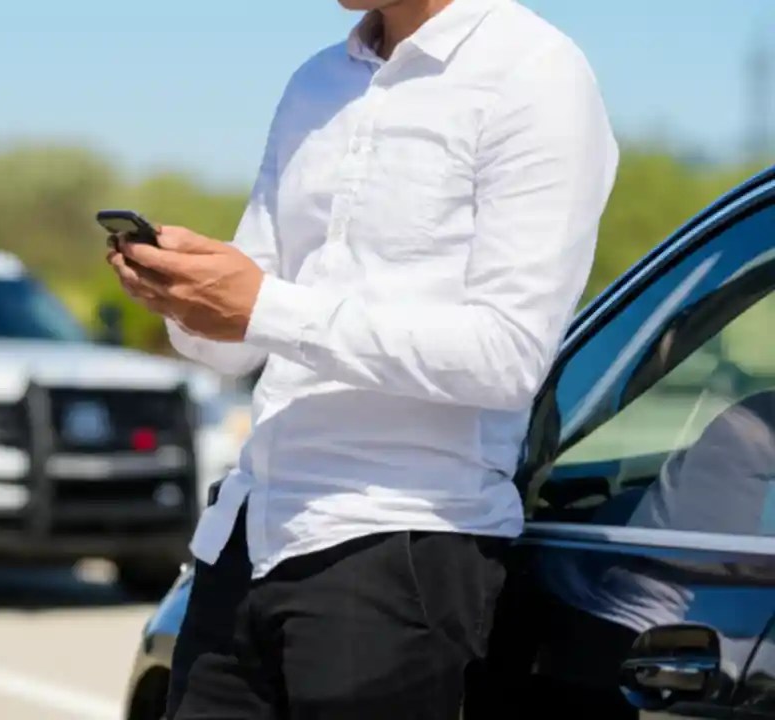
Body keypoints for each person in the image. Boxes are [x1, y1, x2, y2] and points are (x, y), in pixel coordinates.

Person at [105, 0, 619, 717]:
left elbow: (507, 355)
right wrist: (183, 298)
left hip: (401, 548)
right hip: (250, 532)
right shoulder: (315, 83)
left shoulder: (535, 73)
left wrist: (263, 306)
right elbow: (238, 339)